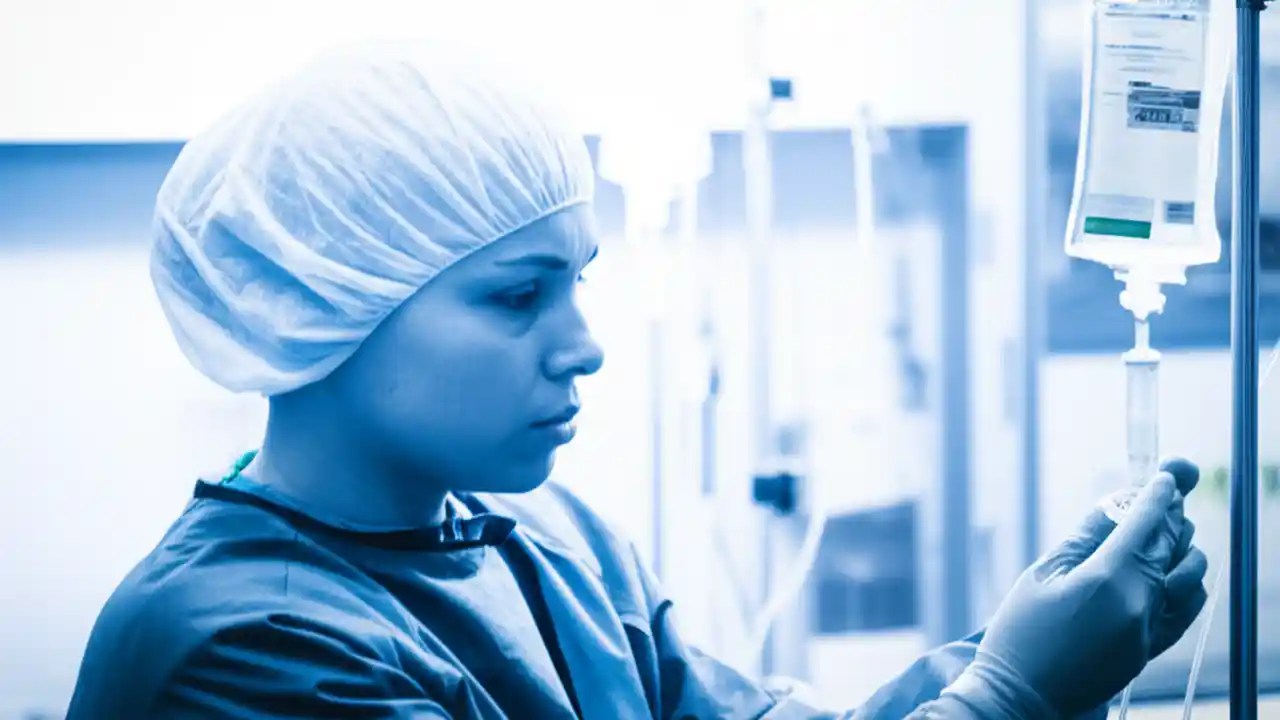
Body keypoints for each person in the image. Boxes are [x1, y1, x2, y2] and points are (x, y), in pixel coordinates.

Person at [66, 42, 1208, 719]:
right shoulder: (240, 646)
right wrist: (1003, 699)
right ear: (330, 297)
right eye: (518, 297)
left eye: (578, 284)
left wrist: (1022, 653)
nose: (584, 344)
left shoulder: (544, 535)